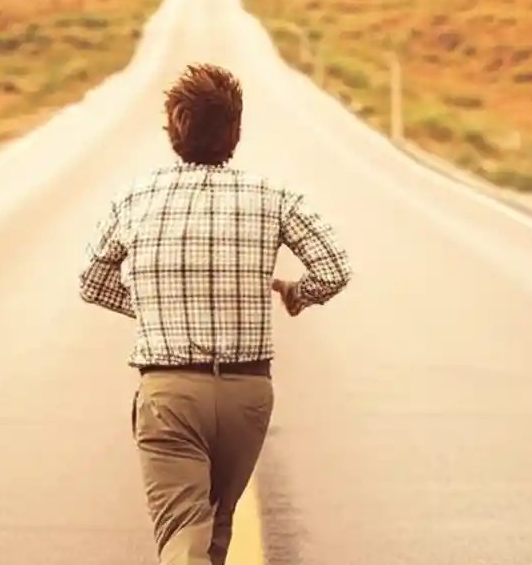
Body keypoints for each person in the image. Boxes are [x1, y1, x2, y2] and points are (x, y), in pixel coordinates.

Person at [79, 63, 351, 564]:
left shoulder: (135, 198)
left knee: (185, 532)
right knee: (215, 529)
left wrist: (159, 308)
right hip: (249, 394)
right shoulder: (273, 195)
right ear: (236, 131)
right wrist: (296, 293)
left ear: (173, 131)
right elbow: (334, 268)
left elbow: (92, 282)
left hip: (171, 397)